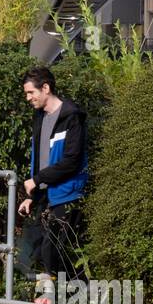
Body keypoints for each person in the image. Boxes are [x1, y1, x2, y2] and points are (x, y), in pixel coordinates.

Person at [18, 67, 89, 277]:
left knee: (51, 251)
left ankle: (67, 299)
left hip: (68, 194)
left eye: (31, 92)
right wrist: (34, 196)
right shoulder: (40, 117)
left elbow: (71, 162)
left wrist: (36, 180)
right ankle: (78, 296)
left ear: (46, 88)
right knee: (45, 252)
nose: (28, 98)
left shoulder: (71, 117)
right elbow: (43, 162)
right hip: (49, 195)